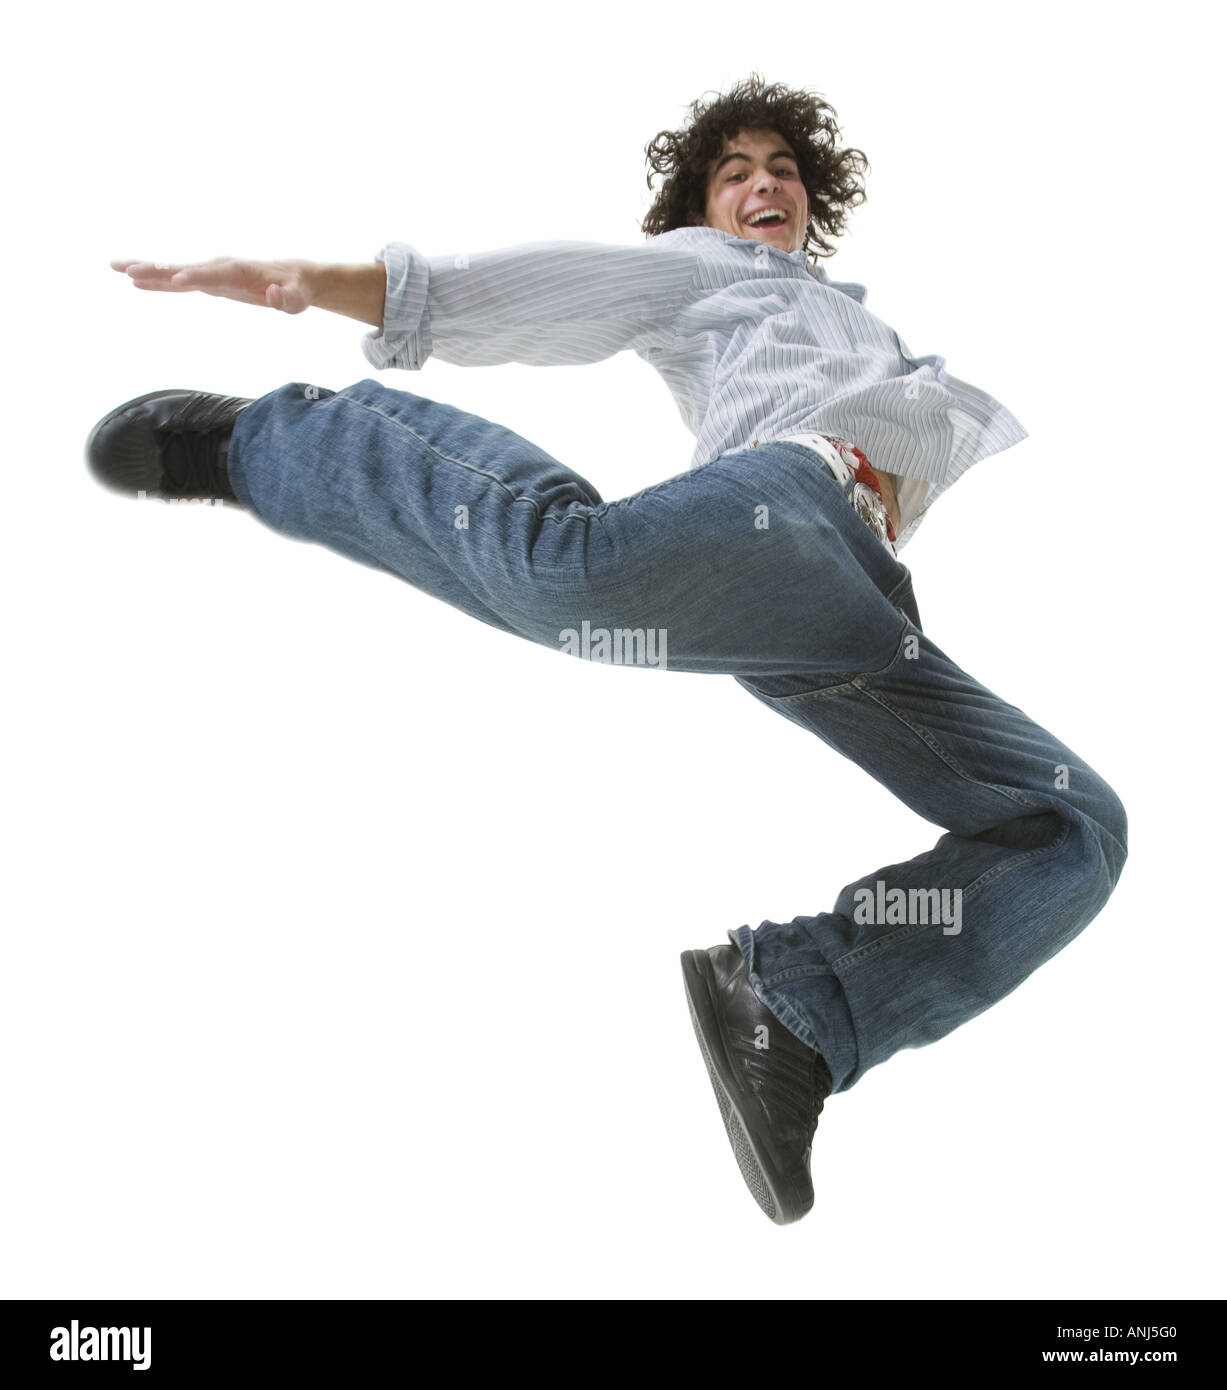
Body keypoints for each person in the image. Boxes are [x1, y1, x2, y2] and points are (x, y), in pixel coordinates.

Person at [86, 75, 1128, 1225]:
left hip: (857, 605)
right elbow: (552, 288)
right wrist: (328, 286)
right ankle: (273, 443)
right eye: (734, 172)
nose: (763, 183)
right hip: (781, 511)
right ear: (705, 208)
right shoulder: (707, 269)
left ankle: (794, 1003)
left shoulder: (860, 323)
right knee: (568, 575)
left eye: (780, 167)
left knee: (1073, 826)